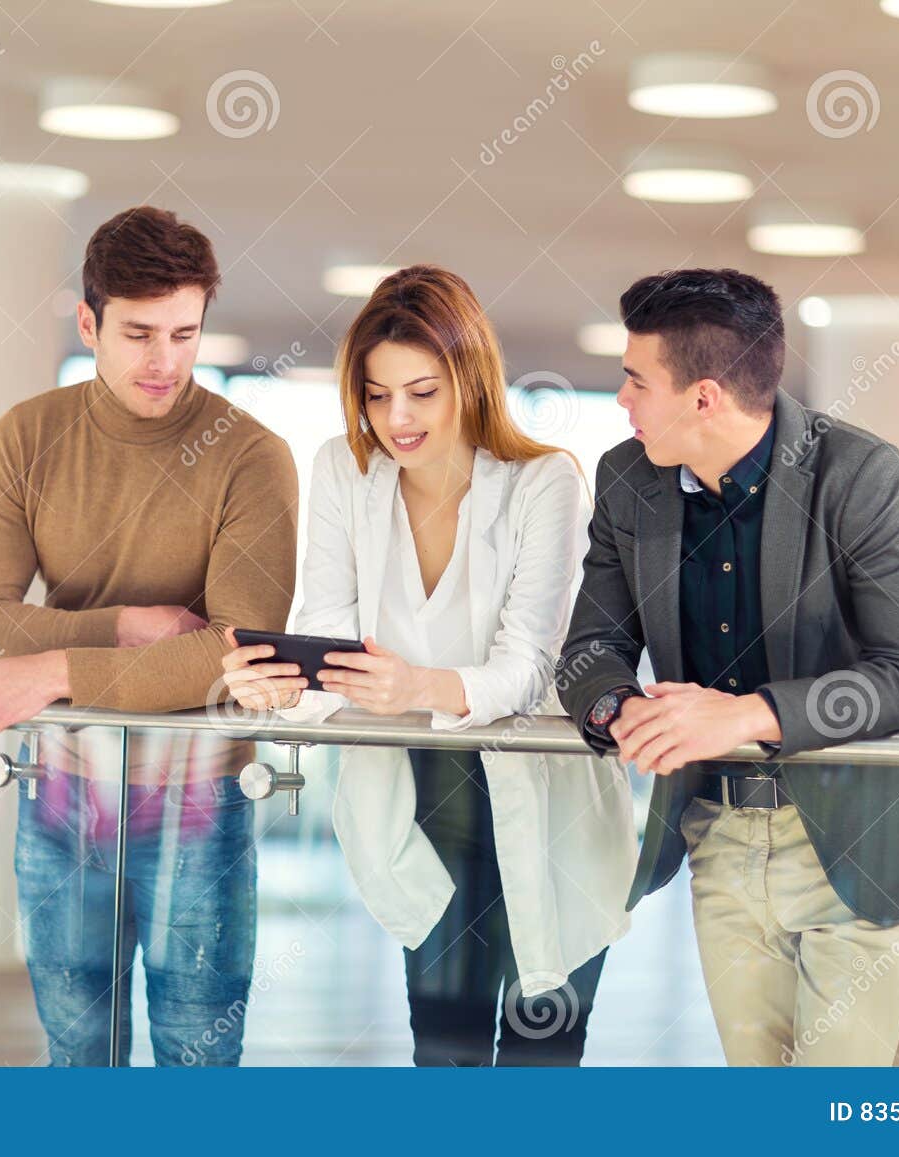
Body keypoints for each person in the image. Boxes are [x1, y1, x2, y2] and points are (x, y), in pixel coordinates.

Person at [558, 268, 899, 1066]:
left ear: (704, 396)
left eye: (635, 379)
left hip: (864, 838)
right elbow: (589, 648)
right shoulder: (626, 480)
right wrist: (620, 709)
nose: (623, 399)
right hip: (719, 831)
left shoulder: (856, 474)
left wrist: (747, 713)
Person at [221, 265, 636, 1067]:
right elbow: (325, 630)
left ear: (470, 382)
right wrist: (279, 686)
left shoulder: (542, 482)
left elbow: (527, 664)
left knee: (541, 1062)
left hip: (546, 806)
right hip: (425, 804)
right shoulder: (344, 471)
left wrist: (418, 686)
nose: (397, 419)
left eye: (422, 391)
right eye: (376, 395)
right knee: (442, 1055)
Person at [0, 206, 299, 1065]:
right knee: (78, 1052)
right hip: (63, 794)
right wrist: (128, 626)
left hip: (203, 799)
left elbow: (236, 652)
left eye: (185, 333)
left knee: (198, 1051)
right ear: (88, 322)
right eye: (139, 332)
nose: (164, 361)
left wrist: (59, 664)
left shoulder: (251, 457)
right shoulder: (25, 440)